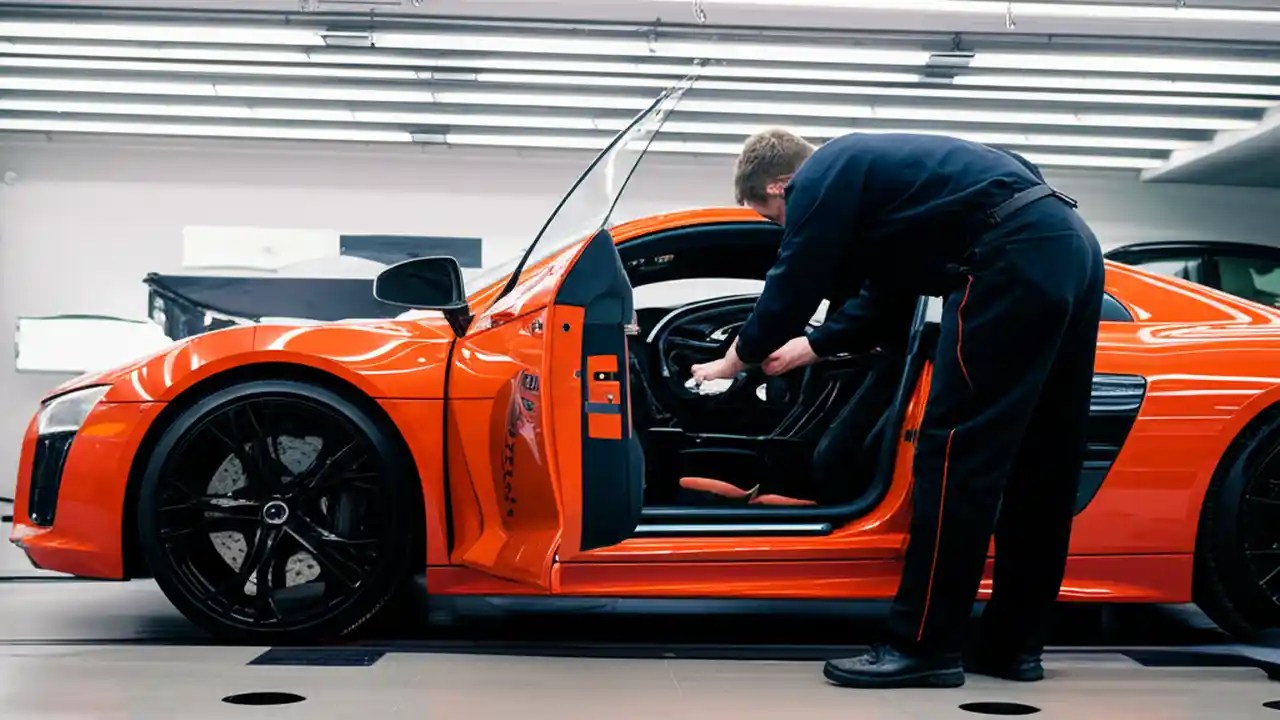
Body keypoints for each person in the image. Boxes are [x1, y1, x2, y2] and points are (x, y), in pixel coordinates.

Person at [691, 129, 1104, 689]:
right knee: (1042, 465)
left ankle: (924, 647)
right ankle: (1013, 647)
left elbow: (796, 278)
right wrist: (812, 346)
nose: (784, 228)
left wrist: (733, 360)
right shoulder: (893, 179)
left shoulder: (821, 175)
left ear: (780, 186)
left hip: (1007, 260)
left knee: (958, 458)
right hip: (1070, 246)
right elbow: (889, 293)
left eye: (773, 218)